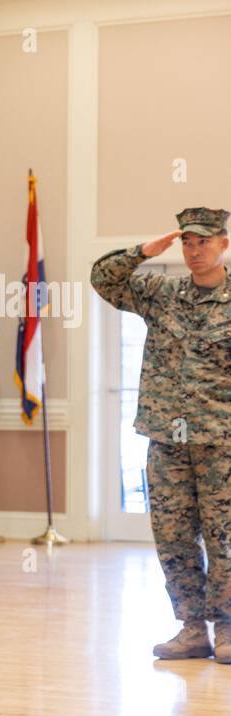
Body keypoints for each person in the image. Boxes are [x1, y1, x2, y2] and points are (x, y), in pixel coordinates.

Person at [91, 206, 231, 663]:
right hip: (167, 438)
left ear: (223, 244)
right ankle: (192, 628)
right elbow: (103, 279)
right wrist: (144, 251)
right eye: (188, 242)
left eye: (204, 242)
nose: (194, 251)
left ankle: (227, 629)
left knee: (224, 537)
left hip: (221, 441)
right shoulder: (161, 292)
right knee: (173, 536)